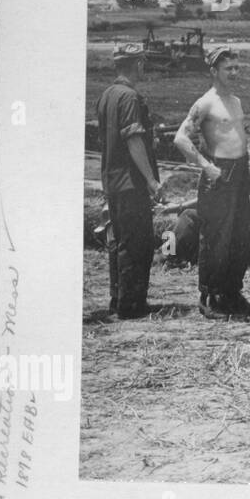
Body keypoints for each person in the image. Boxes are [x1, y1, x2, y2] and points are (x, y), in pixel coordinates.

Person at [174, 47, 250, 318]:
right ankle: (210, 296)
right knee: (215, 239)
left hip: (240, 174)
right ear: (213, 72)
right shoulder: (205, 102)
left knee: (242, 236)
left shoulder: (236, 101)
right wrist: (206, 166)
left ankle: (232, 292)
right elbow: (181, 138)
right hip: (218, 176)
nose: (234, 73)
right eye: (227, 69)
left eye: (236, 68)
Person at [95, 51, 162, 319]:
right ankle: (131, 304)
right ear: (137, 64)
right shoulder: (130, 97)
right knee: (136, 244)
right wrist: (151, 180)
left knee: (119, 241)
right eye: (143, 62)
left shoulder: (106, 95)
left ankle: (118, 298)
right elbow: (134, 140)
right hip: (131, 182)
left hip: (112, 181)